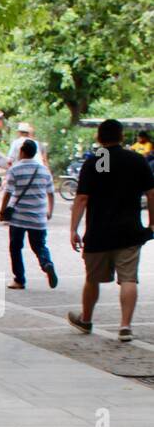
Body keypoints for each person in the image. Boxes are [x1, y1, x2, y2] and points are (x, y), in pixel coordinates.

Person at [69, 118, 154, 342]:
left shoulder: (95, 161)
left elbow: (82, 198)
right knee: (129, 279)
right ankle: (125, 326)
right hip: (129, 231)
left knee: (92, 279)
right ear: (122, 136)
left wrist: (73, 229)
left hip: (98, 231)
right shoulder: (136, 160)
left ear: (98, 136)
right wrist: (152, 223)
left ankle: (86, 319)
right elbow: (151, 193)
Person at [0, 138, 57, 291]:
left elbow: (8, 192)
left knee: (15, 247)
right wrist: (50, 211)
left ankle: (19, 280)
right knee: (39, 245)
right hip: (38, 217)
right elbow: (51, 193)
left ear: (22, 152)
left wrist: (2, 211)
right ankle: (47, 263)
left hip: (19, 217)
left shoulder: (15, 170)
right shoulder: (44, 170)